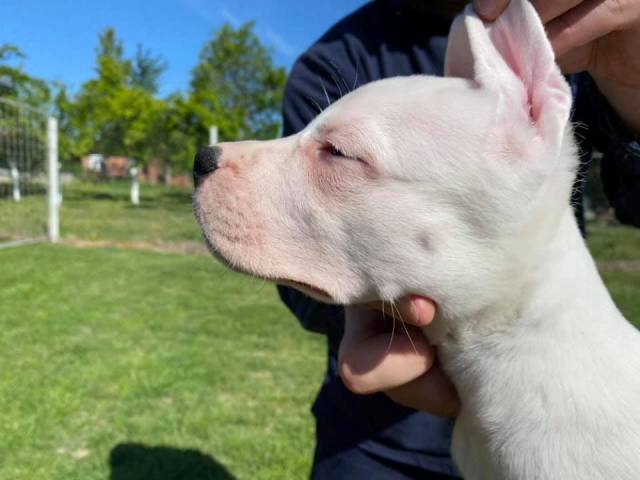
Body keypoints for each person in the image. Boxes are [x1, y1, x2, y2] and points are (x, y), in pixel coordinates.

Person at [279, 0, 640, 478]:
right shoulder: (335, 59)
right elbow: (295, 249)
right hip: (379, 440)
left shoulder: (579, 33)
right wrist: (364, 311)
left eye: (338, 152)